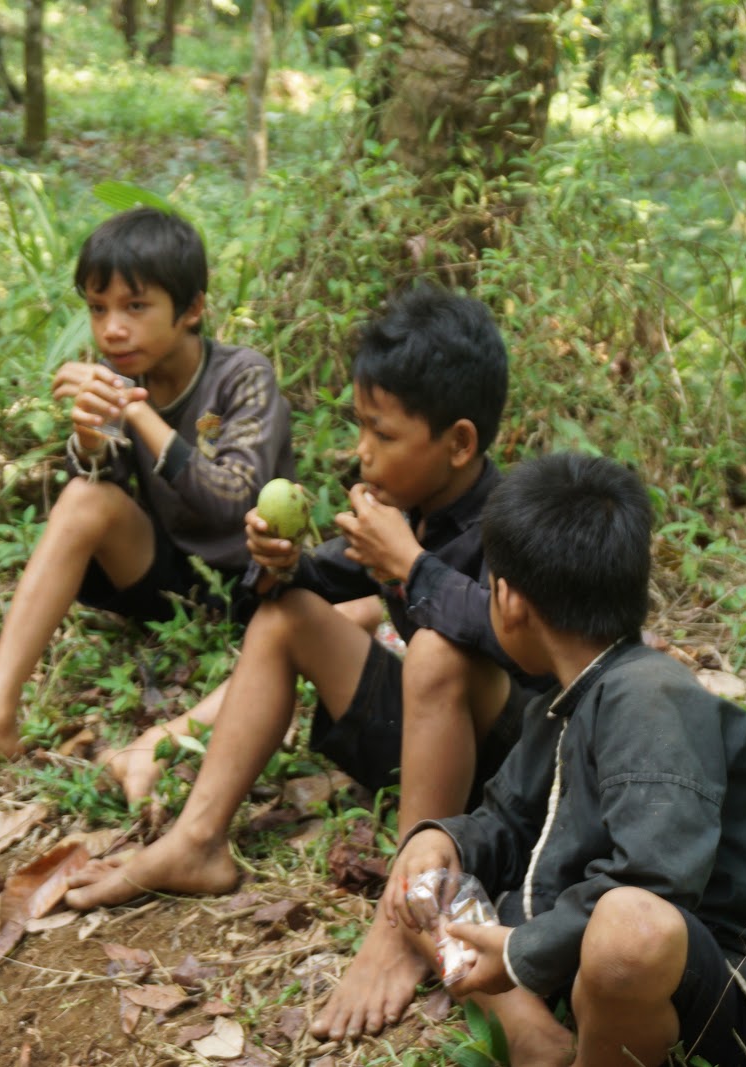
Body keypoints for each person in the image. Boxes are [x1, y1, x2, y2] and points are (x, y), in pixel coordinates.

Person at [64, 285, 543, 1042]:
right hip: (421, 743)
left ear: (457, 443)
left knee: (438, 644)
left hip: (502, 784)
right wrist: (278, 562)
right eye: (361, 427)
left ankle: (404, 911)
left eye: (382, 434)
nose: (362, 452)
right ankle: (198, 840)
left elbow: (524, 648)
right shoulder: (398, 505)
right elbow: (320, 582)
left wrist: (412, 568)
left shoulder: (517, 521)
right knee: (286, 615)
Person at [387, 453, 746, 1067]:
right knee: (420, 882)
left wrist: (520, 951)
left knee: (630, 927)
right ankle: (535, 1037)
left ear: (508, 600)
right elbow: (505, 822)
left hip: (731, 978)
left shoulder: (652, 694)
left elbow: (656, 882)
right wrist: (445, 844)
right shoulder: (561, 705)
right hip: (578, 941)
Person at [0, 206, 294, 814]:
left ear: (191, 309)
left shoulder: (239, 379)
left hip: (255, 587)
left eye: (135, 307)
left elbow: (231, 499)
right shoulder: (114, 378)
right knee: (85, 497)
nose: (112, 329)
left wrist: (134, 411)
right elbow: (100, 493)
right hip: (168, 583)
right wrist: (88, 441)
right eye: (97, 308)